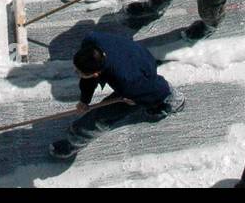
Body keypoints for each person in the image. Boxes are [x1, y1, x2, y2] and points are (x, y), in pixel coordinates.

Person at [49, 30, 184, 160]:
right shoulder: (91, 41)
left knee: (101, 117)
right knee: (140, 87)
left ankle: (172, 100)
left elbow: (152, 89)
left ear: (96, 73)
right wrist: (85, 100)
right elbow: (87, 79)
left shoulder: (128, 82)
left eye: (80, 72)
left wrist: (136, 100)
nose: (75, 72)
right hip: (134, 57)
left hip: (140, 78)